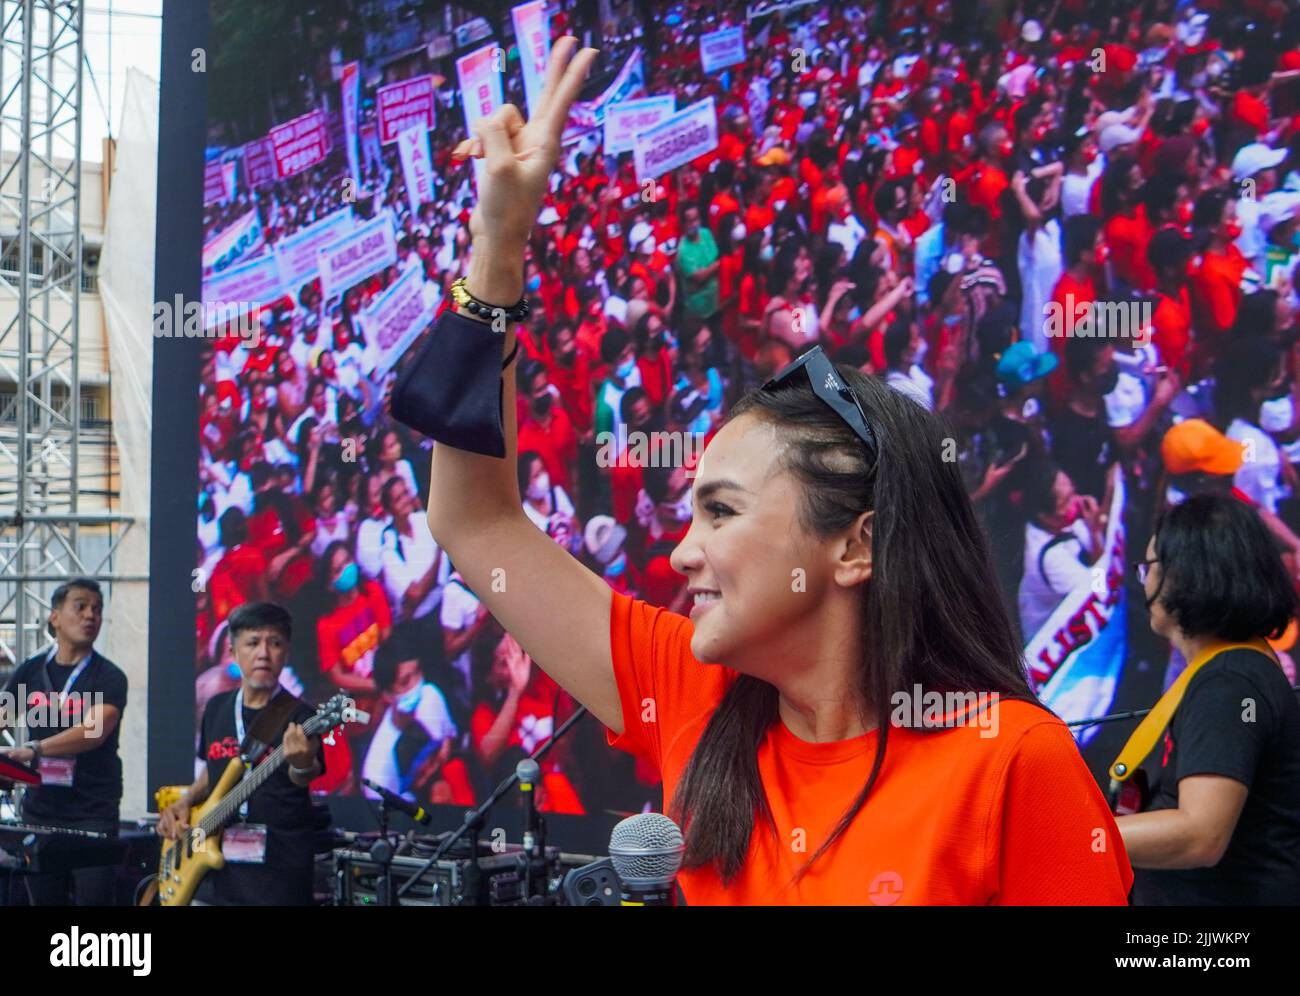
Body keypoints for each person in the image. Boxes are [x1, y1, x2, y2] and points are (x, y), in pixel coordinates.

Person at [414, 37, 1132, 904]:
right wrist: (498, 248)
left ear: (855, 547)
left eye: (720, 512)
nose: (683, 555)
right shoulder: (693, 694)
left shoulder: (1014, 763)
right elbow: (477, 523)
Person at [1117, 494, 1300, 904]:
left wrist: (1077, 836)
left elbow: (1201, 835)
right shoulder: (1231, 671)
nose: (1143, 581)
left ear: (1182, 578)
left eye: (1149, 569)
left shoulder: (1229, 682)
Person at [158, 602, 327, 906]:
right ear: (233, 651)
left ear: (285, 653)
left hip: (279, 873)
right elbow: (214, 769)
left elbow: (304, 774)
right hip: (218, 873)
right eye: (252, 642)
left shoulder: (302, 716)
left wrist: (301, 764)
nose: (264, 653)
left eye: (274, 643)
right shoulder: (216, 708)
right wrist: (186, 801)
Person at [0, 579, 127, 905]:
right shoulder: (29, 672)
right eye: (80, 606)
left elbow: (94, 730)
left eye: (97, 610)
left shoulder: (108, 676)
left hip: (92, 813)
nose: (90, 616)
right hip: (40, 812)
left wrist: (35, 749)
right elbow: (3, 716)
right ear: (55, 617)